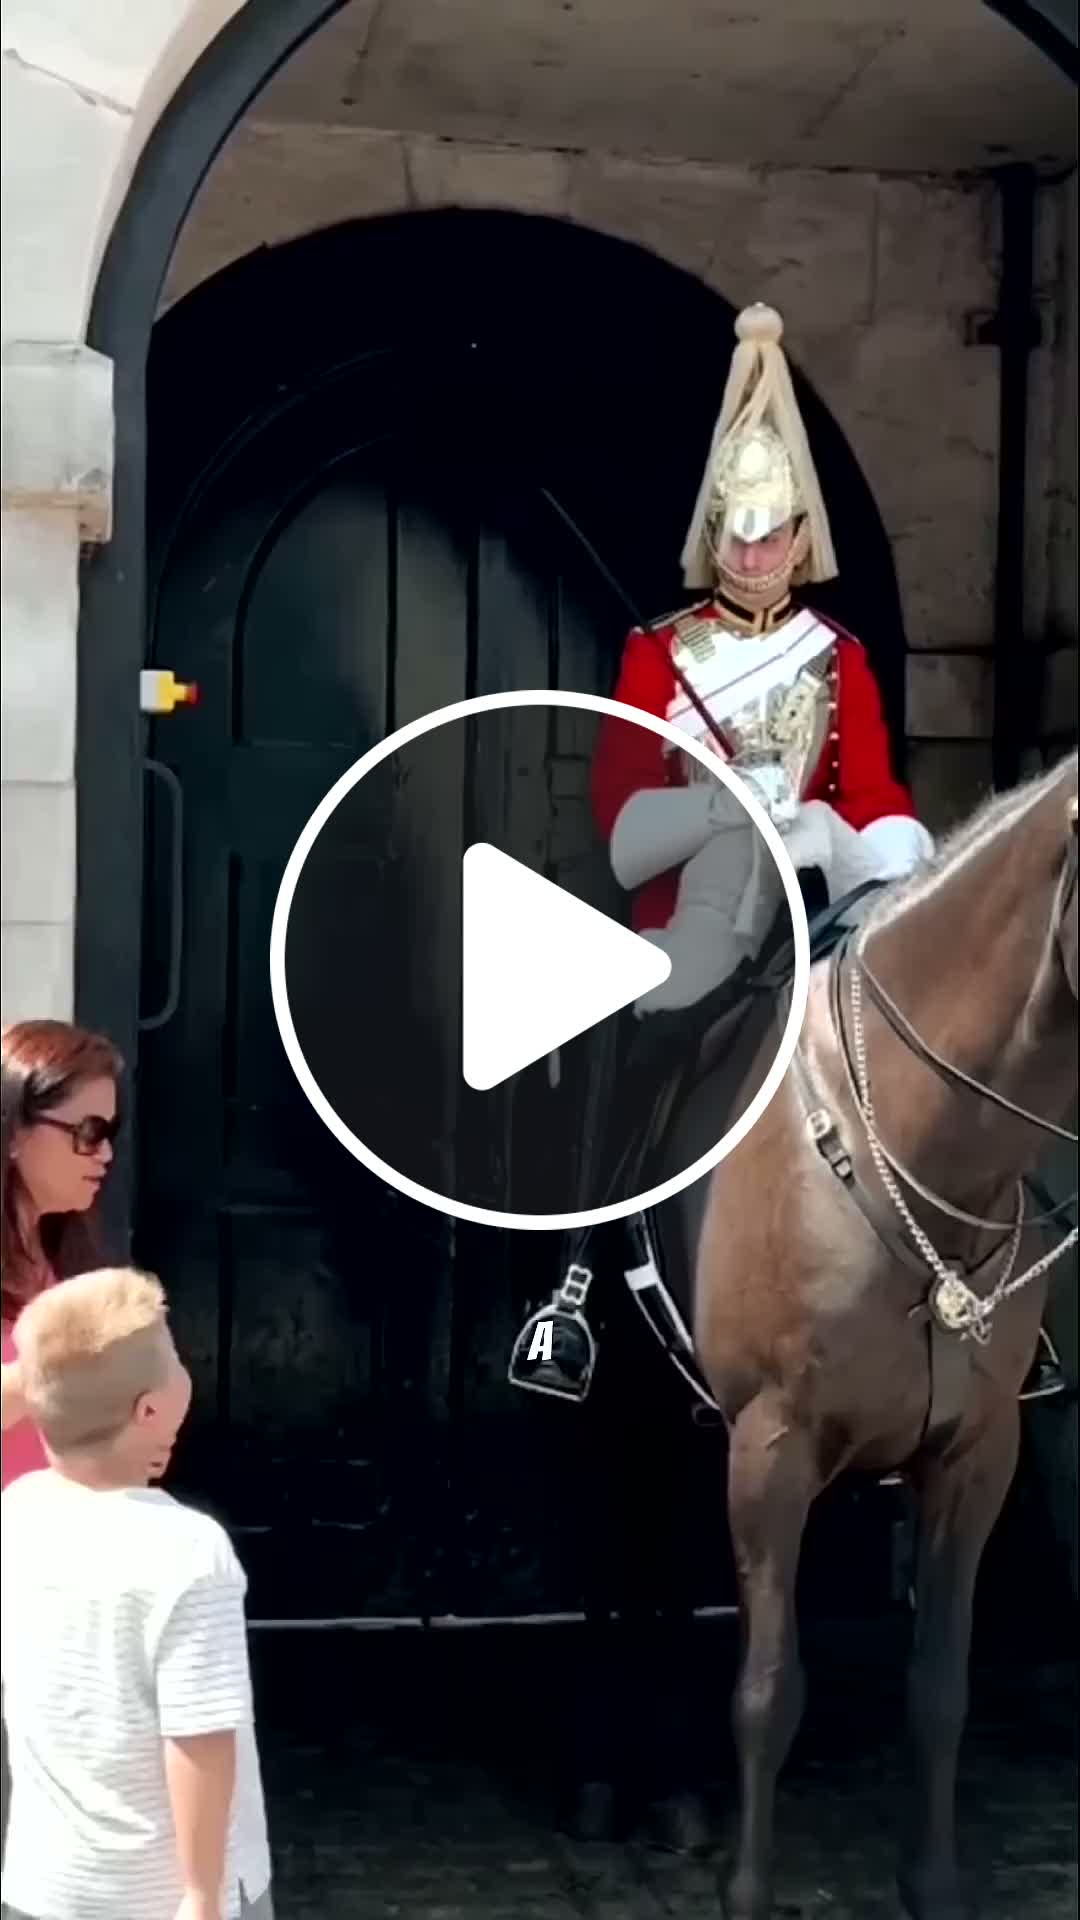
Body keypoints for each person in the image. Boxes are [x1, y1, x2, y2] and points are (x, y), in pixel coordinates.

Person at [508, 301, 1064, 1406]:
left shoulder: (836, 658)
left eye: (774, 531)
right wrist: (722, 809)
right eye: (738, 530)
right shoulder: (657, 653)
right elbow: (621, 816)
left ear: (801, 540)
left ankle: (1015, 1298)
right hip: (705, 916)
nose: (756, 550)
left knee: (956, 1050)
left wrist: (842, 835)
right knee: (627, 1035)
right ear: (714, 535)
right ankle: (570, 1290)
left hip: (822, 902)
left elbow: (877, 792)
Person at [0, 1266, 273, 1920]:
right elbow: (199, 1739)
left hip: (47, 1886)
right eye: (173, 1354)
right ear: (151, 1410)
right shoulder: (188, 1551)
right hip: (160, 1898)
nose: (184, 1363)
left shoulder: (19, 1510)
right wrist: (202, 1897)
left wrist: (45, 1377)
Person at [1, 1019, 123, 1487]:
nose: (106, 1153)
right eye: (89, 1131)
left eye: (110, 1131)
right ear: (14, 1134)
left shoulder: (65, 1261)